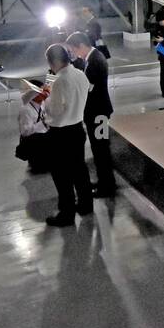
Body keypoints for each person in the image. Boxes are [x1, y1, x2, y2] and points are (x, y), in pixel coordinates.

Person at [34, 44, 92, 226]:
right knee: (80, 170)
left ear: (53, 61)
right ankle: (85, 204)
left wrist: (44, 102)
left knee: (62, 175)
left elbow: (55, 110)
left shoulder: (59, 81)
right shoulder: (80, 74)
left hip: (60, 134)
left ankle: (66, 213)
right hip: (77, 128)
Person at [67, 32, 116, 196]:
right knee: (98, 149)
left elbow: (88, 87)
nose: (74, 54)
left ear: (80, 46)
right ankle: (104, 181)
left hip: (99, 112)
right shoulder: (91, 58)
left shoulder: (96, 60)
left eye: (74, 50)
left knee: (101, 149)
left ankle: (107, 185)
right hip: (95, 111)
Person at [16, 84, 49, 171]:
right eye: (41, 92)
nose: (45, 94)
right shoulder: (26, 109)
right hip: (34, 141)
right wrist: (43, 123)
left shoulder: (42, 104)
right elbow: (25, 132)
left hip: (43, 136)